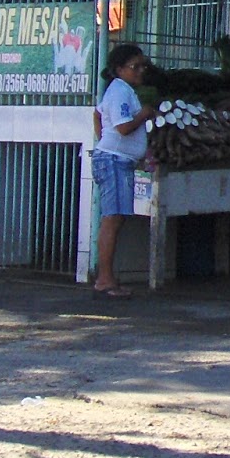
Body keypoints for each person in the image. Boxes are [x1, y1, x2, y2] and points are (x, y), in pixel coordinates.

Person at [90, 44, 162, 298]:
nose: (141, 70)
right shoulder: (120, 91)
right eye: (135, 66)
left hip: (115, 157)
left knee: (115, 217)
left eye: (143, 65)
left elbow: (97, 115)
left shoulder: (120, 90)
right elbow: (122, 128)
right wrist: (144, 114)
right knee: (113, 218)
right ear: (120, 69)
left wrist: (103, 140)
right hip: (114, 161)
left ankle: (107, 277)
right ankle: (105, 279)